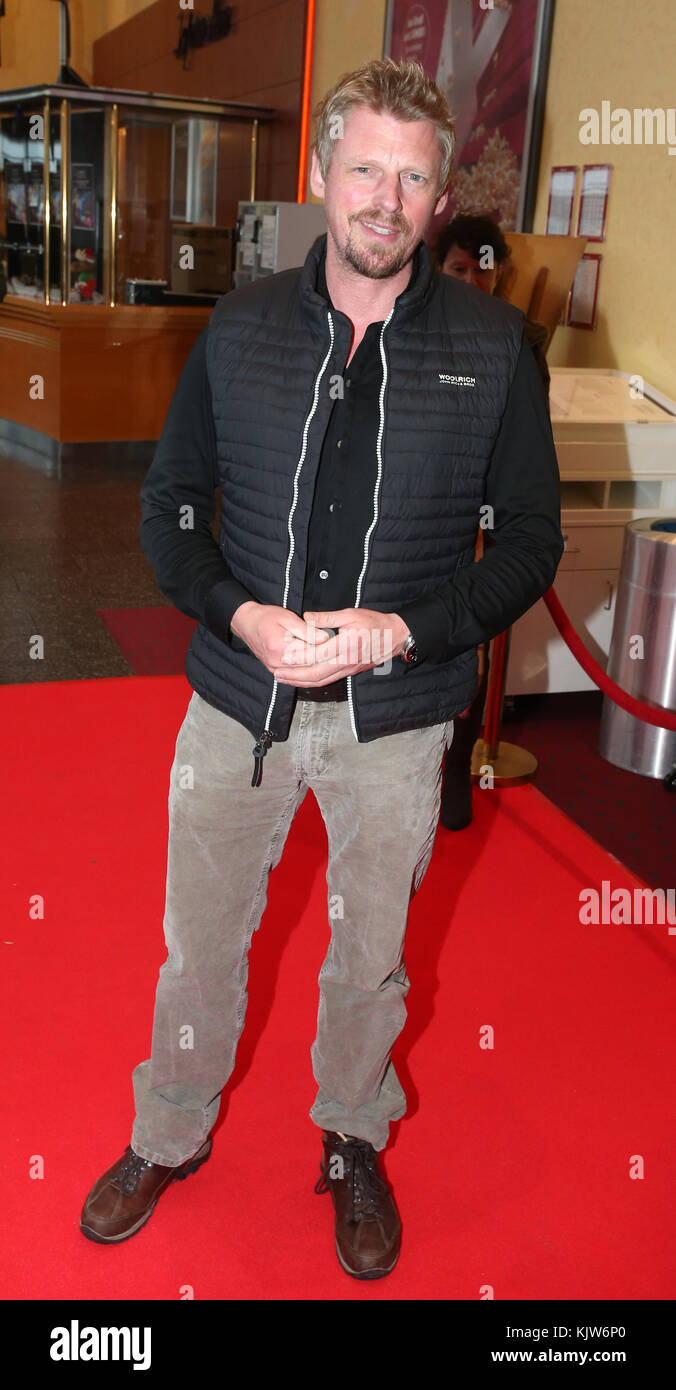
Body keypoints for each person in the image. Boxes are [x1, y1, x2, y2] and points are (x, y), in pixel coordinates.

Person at [80, 58, 564, 1281]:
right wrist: (238, 613)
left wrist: (402, 631)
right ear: (321, 174)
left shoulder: (497, 349)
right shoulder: (238, 328)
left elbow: (533, 544)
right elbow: (171, 511)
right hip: (232, 707)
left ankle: (351, 1138)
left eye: (413, 176)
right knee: (201, 941)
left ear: (440, 192)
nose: (387, 200)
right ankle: (168, 1132)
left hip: (396, 723)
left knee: (369, 957)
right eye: (366, 169)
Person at [436, 213, 552, 831]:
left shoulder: (518, 340)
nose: (474, 281)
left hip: (488, 517)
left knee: (471, 641)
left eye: (485, 270)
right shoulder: (414, 327)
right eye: (460, 270)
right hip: (428, 507)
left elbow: (530, 449)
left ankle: (456, 764)